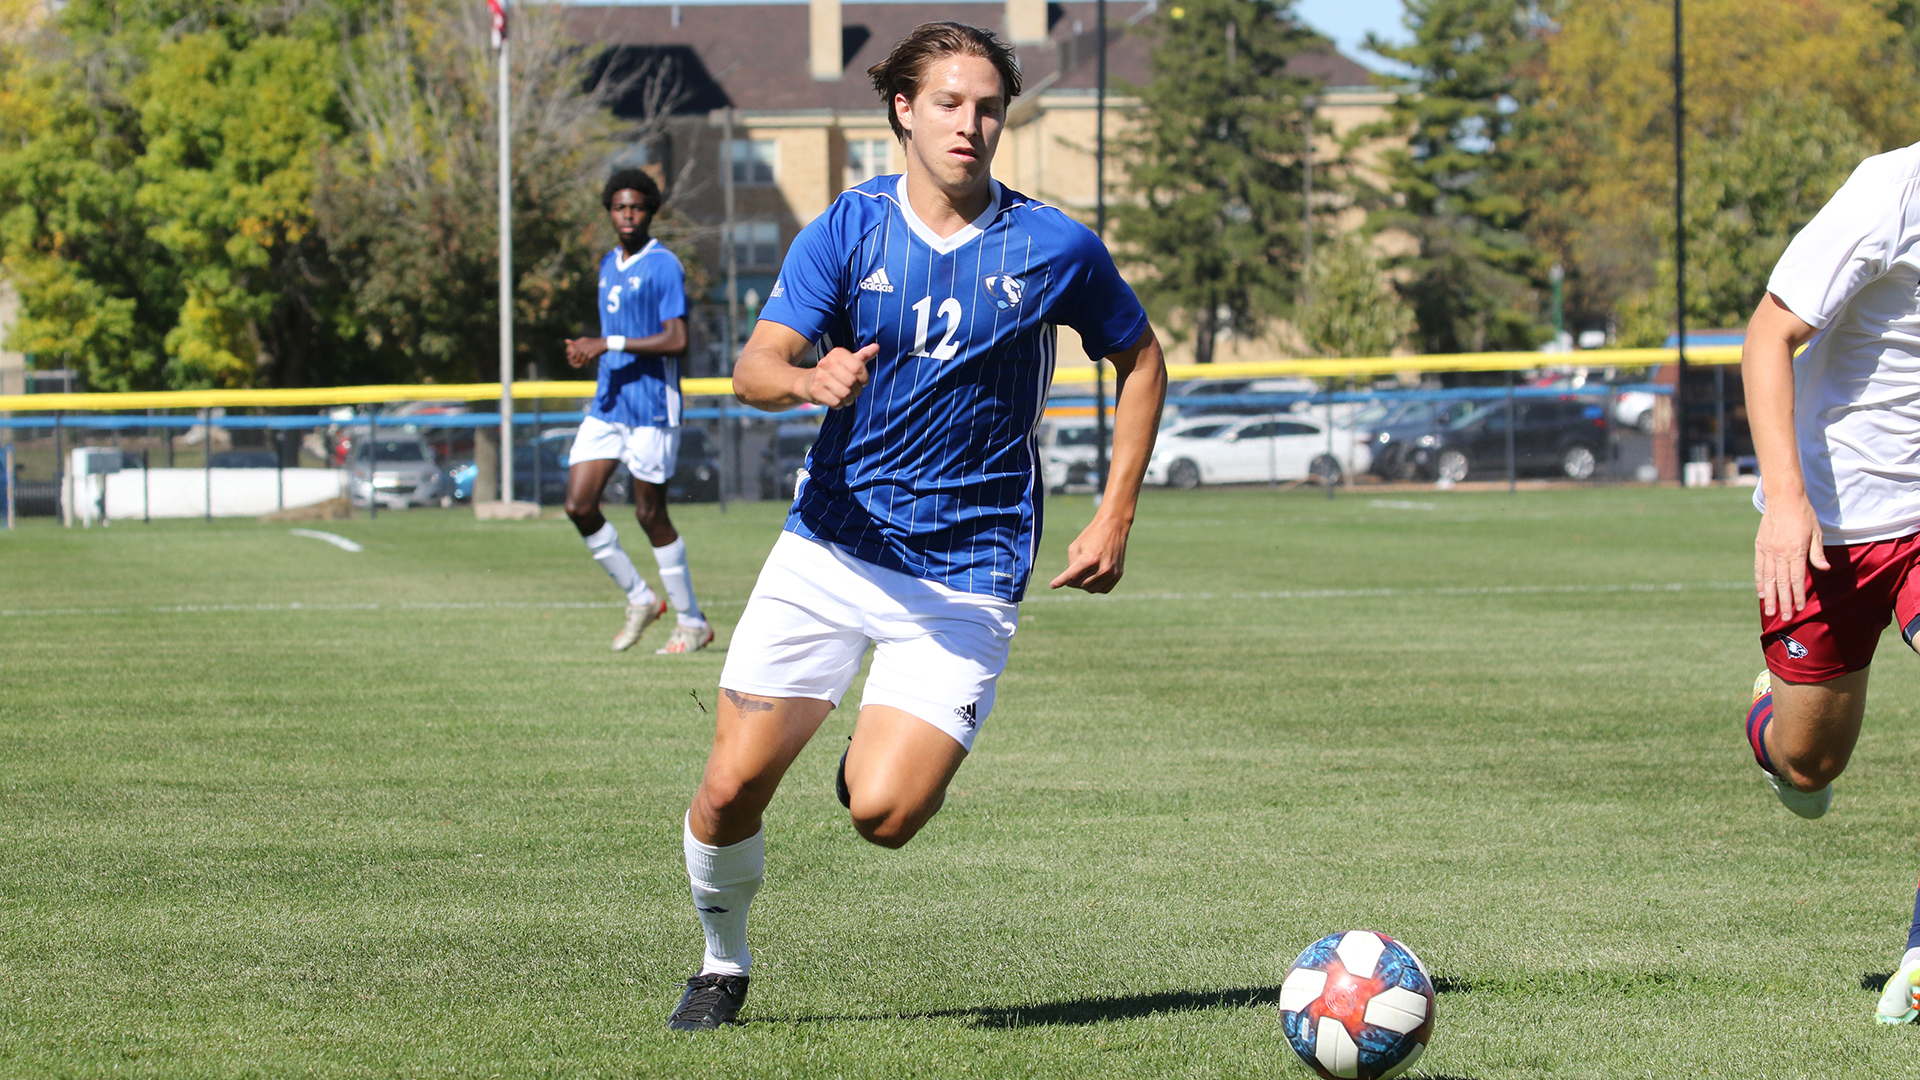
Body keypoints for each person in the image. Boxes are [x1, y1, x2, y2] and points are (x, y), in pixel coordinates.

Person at [664, 21, 1167, 1030]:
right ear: (902, 109)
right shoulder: (848, 231)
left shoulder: (1054, 245)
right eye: (949, 102)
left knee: (885, 816)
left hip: (965, 576)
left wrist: (1114, 516)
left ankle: (873, 751)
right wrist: (810, 376)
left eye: (988, 107)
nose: (970, 125)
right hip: (830, 548)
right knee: (726, 795)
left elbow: (1142, 359)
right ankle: (723, 962)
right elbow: (752, 369)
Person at [1741, 139, 1920, 1024]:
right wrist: (1784, 502)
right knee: (1810, 768)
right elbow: (1769, 334)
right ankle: (1767, 725)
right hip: (1834, 525)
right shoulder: (1893, 188)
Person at [561, 169, 713, 655]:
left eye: (638, 207)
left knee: (650, 514)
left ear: (651, 211)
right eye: (620, 207)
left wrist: (605, 342)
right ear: (610, 210)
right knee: (578, 505)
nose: (628, 215)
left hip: (651, 408)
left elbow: (678, 339)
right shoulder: (609, 263)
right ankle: (640, 597)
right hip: (609, 406)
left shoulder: (664, 265)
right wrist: (592, 352)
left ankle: (691, 622)